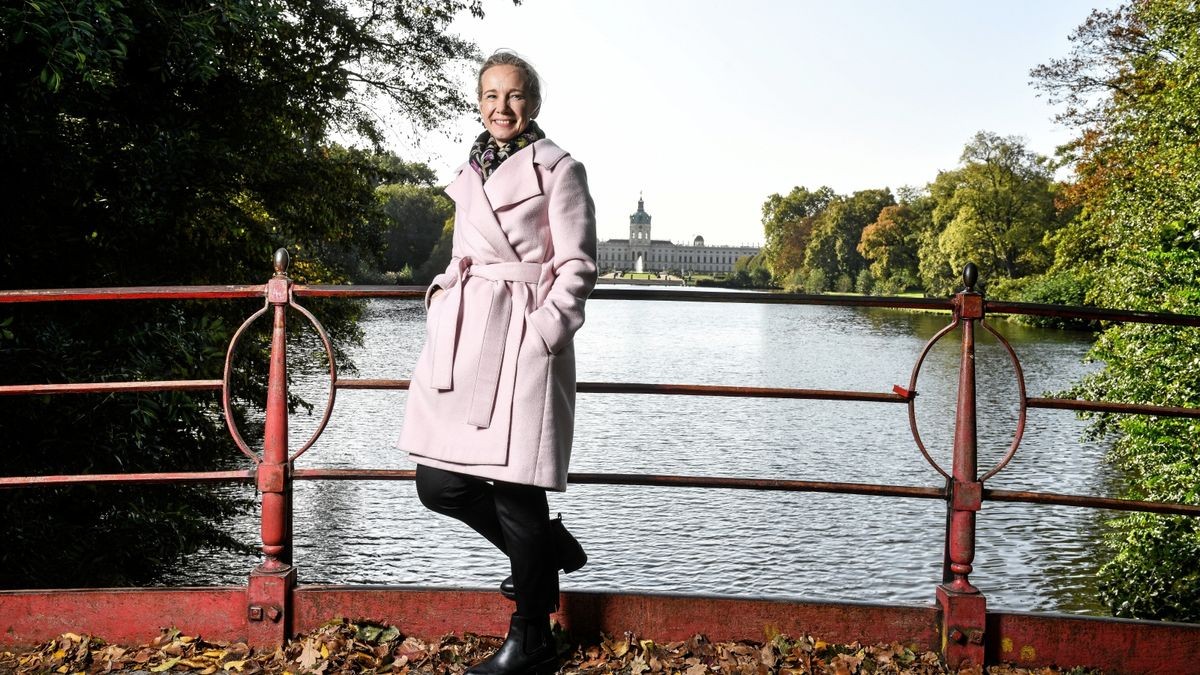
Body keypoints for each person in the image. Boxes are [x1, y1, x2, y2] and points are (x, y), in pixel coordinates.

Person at [398, 49, 597, 675]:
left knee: (516, 494)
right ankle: (546, 552)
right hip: (466, 336)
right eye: (490, 95)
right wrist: (441, 297)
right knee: (438, 483)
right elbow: (464, 254)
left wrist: (543, 333)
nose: (501, 107)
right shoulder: (470, 168)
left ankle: (531, 638)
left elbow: (578, 266)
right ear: (479, 103)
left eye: (514, 96)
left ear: (532, 103)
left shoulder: (560, 169)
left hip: (524, 339)